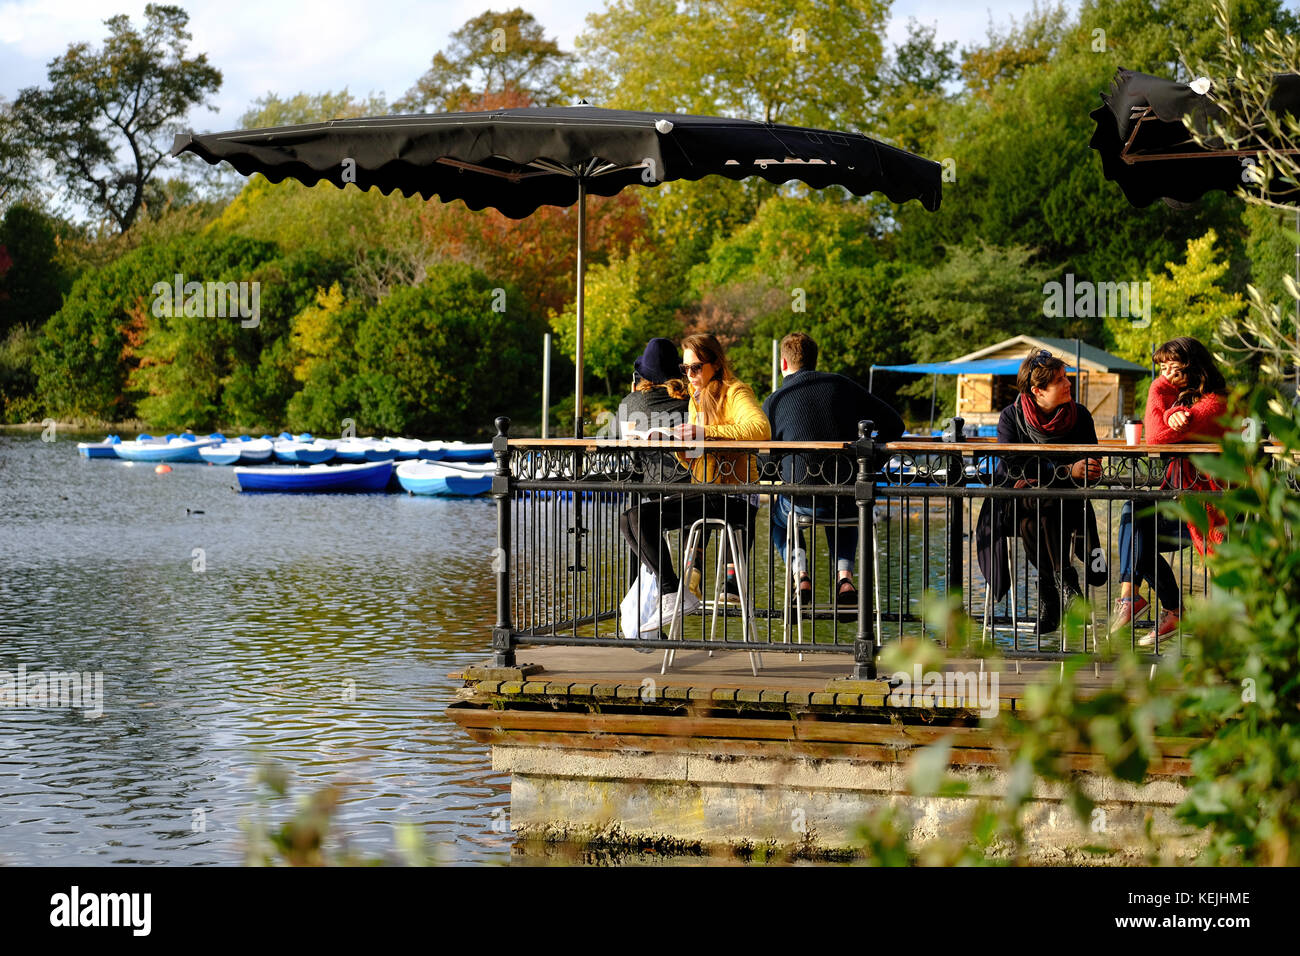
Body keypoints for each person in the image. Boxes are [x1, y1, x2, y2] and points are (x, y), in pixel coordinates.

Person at [618, 333, 771, 630]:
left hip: (734, 494)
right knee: (629, 519)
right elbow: (695, 455)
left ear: (715, 364)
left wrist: (707, 435)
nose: (689, 376)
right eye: (684, 369)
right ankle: (674, 591)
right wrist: (676, 444)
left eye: (696, 368)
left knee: (642, 517)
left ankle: (674, 593)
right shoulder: (695, 399)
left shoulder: (735, 392)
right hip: (706, 489)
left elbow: (760, 428)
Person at [762, 331, 905, 606]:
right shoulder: (842, 386)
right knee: (848, 498)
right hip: (846, 499)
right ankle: (844, 577)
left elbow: (766, 465)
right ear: (815, 360)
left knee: (777, 517)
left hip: (799, 502)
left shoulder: (776, 400)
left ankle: (800, 574)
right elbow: (895, 424)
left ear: (783, 364)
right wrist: (871, 465)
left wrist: (779, 470)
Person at [976, 349, 1105, 634]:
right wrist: (1066, 471)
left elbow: (1094, 469)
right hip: (1015, 505)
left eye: (1065, 377)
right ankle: (1067, 584)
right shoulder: (1012, 417)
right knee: (1039, 502)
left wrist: (1082, 472)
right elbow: (1014, 468)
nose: (1068, 384)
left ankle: (1050, 595)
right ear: (1037, 390)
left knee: (1039, 513)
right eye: (1060, 380)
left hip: (1064, 508)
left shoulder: (1080, 416)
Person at [1112, 336, 1228, 646]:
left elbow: (1157, 436)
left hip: (1210, 510)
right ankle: (1137, 599)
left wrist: (1158, 391)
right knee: (1134, 517)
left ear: (1194, 368)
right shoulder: (1186, 403)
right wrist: (1169, 414)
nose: (1166, 375)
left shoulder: (1214, 403)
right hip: (1185, 503)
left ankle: (1166, 609)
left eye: (1172, 368)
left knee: (1136, 523)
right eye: (1162, 369)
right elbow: (1162, 430)